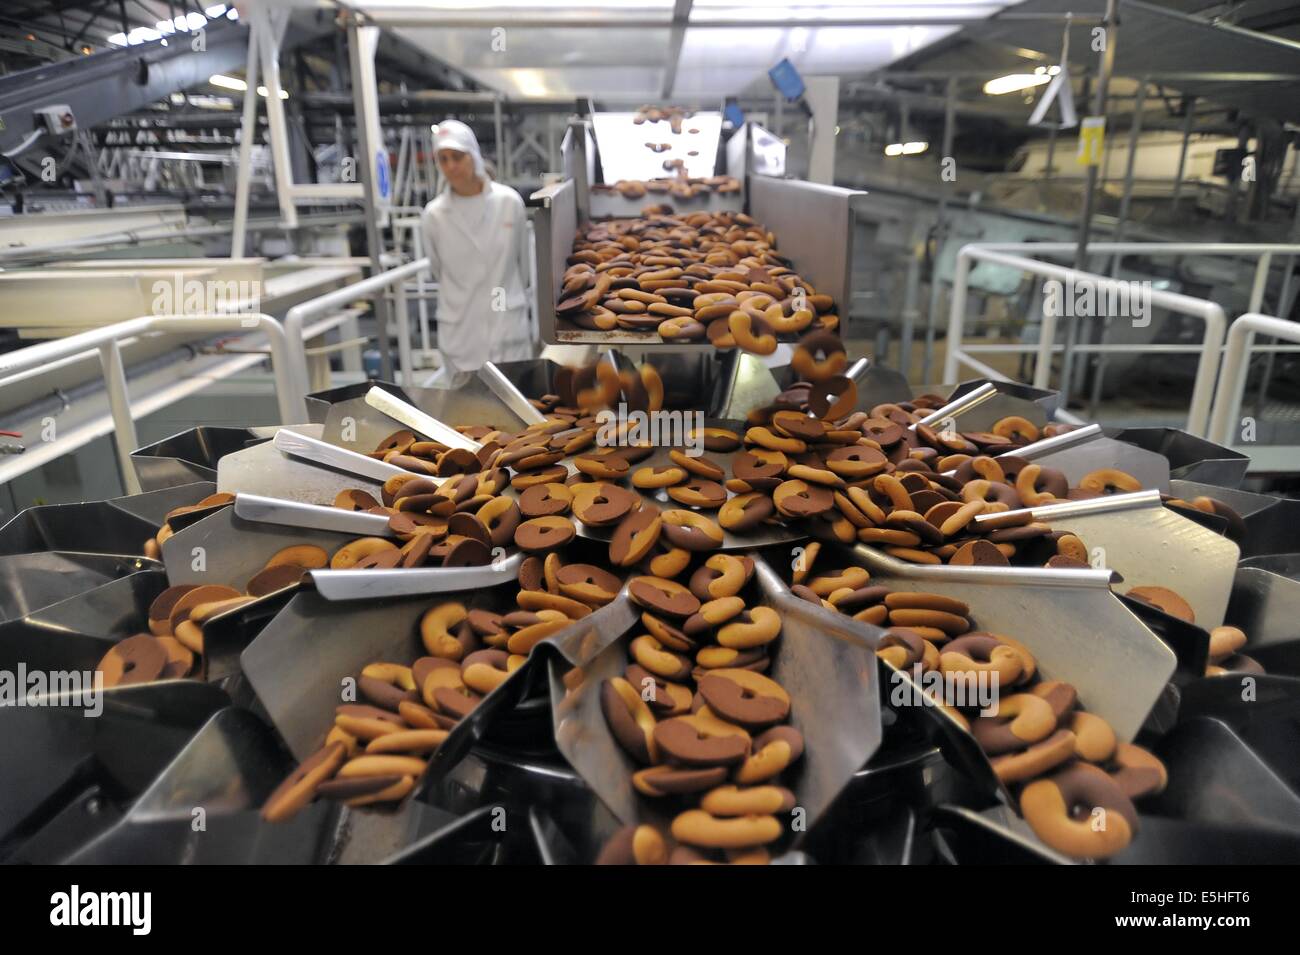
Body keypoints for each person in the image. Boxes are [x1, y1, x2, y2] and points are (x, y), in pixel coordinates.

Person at [420, 119, 534, 387]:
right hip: (461, 329)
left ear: (473, 155)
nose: (451, 166)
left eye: (457, 157)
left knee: (520, 410)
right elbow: (438, 270)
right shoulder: (434, 215)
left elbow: (524, 267)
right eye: (443, 159)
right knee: (468, 417)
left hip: (506, 319)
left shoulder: (509, 203)